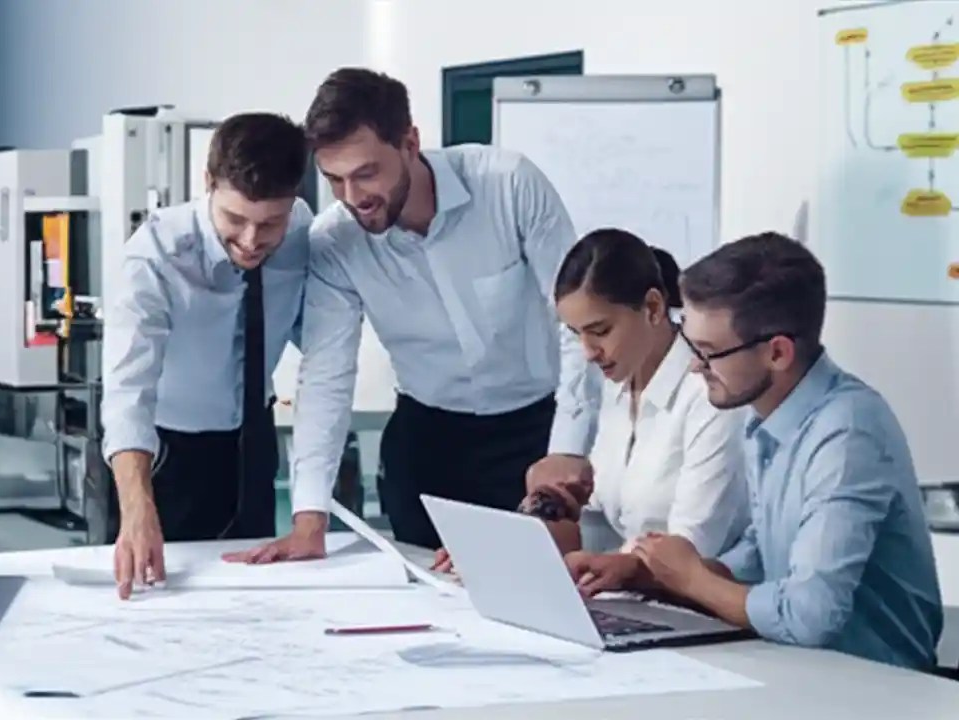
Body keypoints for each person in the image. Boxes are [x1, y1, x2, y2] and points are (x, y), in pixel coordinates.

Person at [225, 67, 600, 563]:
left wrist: (568, 446)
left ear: (410, 143)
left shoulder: (508, 186)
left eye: (366, 173)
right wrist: (309, 518)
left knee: (536, 586)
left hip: (534, 436)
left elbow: (577, 324)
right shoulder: (337, 241)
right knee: (427, 592)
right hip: (427, 443)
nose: (353, 197)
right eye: (334, 179)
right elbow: (326, 372)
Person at [632, 232, 943, 671]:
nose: (695, 366)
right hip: (798, 671)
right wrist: (652, 575)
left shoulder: (848, 432)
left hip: (877, 685)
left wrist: (694, 580)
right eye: (692, 346)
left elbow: (809, 616)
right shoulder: (765, 416)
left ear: (777, 353)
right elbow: (763, 553)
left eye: (709, 353)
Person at [432, 229, 750, 597]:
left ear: (652, 307)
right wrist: (501, 547)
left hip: (706, 605)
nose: (587, 351)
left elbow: (690, 550)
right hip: (635, 599)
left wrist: (609, 565)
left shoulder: (710, 395)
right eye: (576, 333)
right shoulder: (618, 382)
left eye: (600, 330)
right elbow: (596, 521)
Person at [89, 112, 313, 598]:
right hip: (163, 454)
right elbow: (128, 390)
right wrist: (137, 508)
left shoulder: (301, 232)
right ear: (208, 182)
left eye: (269, 223)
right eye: (235, 219)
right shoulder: (155, 254)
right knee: (156, 593)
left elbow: (315, 337)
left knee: (254, 591)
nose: (251, 241)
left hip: (253, 442)